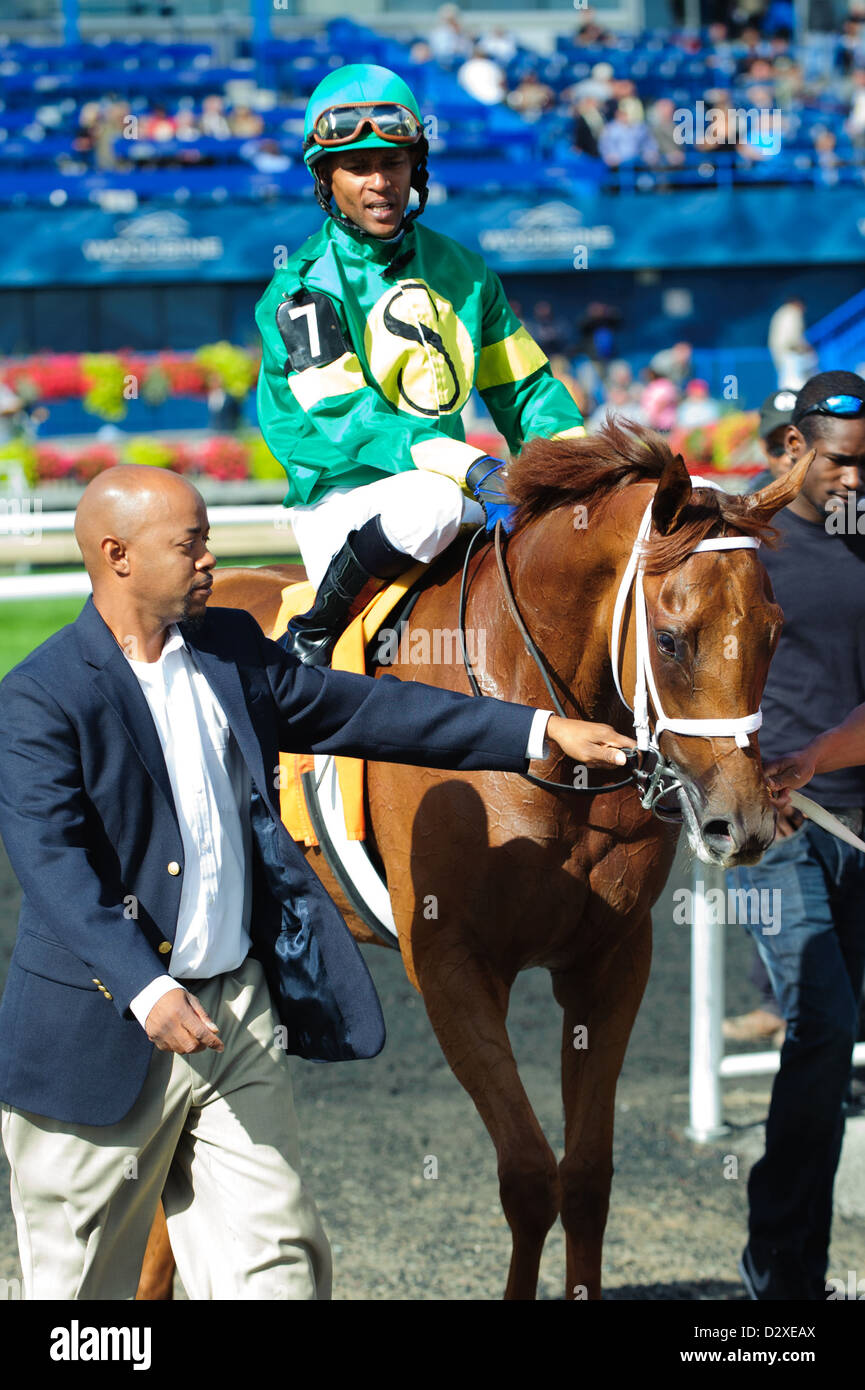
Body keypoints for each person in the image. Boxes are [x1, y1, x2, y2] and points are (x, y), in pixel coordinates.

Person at [0, 464, 636, 1302]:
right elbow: (52, 868)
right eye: (190, 543)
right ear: (117, 556)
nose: (209, 560)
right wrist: (145, 989)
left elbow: (367, 711)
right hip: (102, 1027)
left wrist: (538, 727)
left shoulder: (229, 647)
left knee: (280, 1272)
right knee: (84, 1300)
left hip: (235, 1022)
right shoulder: (37, 699)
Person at [254, 64, 585, 667]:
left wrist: (586, 471)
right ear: (325, 178)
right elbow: (354, 420)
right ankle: (315, 631)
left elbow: (526, 390)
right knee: (432, 505)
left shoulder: (466, 270)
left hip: (450, 488)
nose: (380, 182)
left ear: (417, 168)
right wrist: (475, 466)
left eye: (394, 162)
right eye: (358, 167)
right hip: (346, 502)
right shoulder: (299, 292)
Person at [727, 372, 865, 1301]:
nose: (858, 482)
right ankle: (786, 1277)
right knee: (823, 1025)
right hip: (779, 826)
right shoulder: (741, 547)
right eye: (842, 464)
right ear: (791, 451)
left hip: (848, 804)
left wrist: (820, 751)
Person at [722, 387, 796, 1050]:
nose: (781, 455)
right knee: (755, 880)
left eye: (790, 443)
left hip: (819, 743)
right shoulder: (738, 534)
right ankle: (774, 999)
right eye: (774, 444)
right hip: (762, 745)